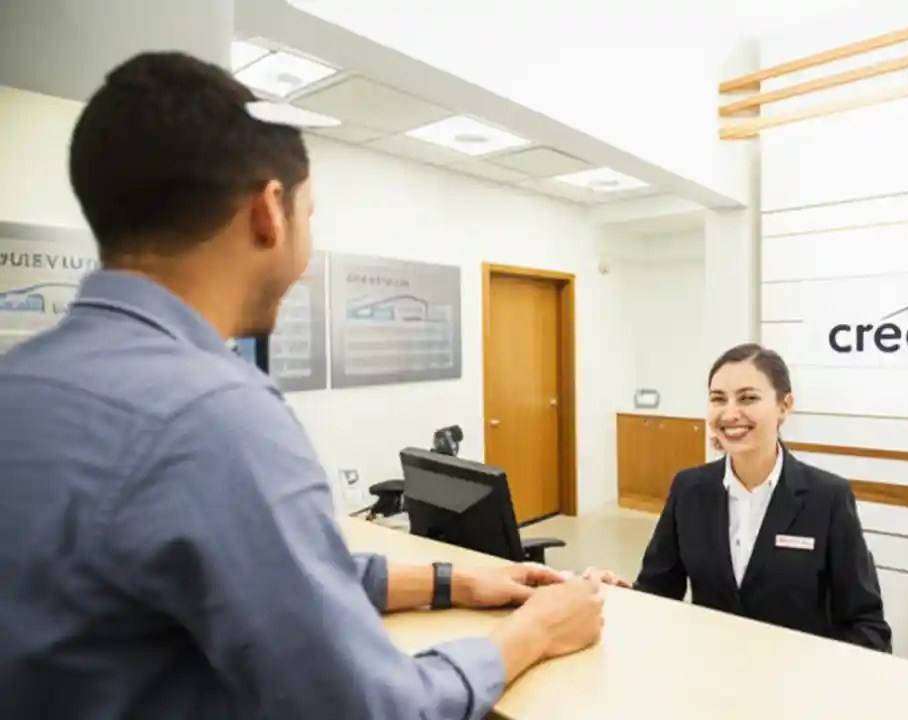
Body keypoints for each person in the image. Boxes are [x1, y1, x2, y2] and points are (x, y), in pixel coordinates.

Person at [0, 51, 602, 720]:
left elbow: (265, 583)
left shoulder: (20, 384)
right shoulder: (216, 415)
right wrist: (535, 632)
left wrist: (453, 579)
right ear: (271, 211)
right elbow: (372, 709)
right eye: (311, 216)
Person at [588, 343, 891, 651]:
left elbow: (868, 627)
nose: (730, 413)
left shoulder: (828, 497)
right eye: (718, 399)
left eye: (748, 398)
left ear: (784, 406)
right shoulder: (689, 489)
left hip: (797, 683)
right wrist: (620, 594)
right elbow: (658, 592)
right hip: (712, 674)